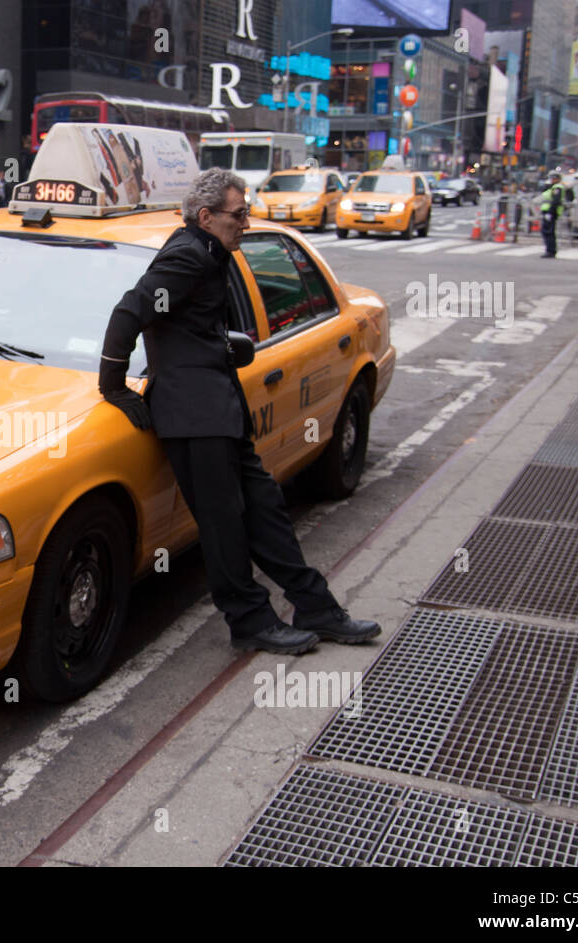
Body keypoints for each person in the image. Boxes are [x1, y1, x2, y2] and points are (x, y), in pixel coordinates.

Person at [98, 168, 381, 655]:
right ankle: (249, 620)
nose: (246, 223)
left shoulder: (209, 251)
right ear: (207, 217)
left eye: (246, 212)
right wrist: (115, 387)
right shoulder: (187, 256)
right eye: (239, 214)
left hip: (220, 411)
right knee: (224, 523)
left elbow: (187, 326)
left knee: (265, 509)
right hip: (193, 418)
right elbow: (129, 313)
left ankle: (316, 605)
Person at [539, 171, 568, 259]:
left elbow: (555, 201)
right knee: (547, 231)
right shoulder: (552, 187)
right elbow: (544, 193)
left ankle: (550, 251)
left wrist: (550, 213)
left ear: (556, 179)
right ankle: (550, 250)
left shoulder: (557, 188)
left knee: (549, 232)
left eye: (552, 178)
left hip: (551, 212)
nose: (551, 180)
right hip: (548, 211)